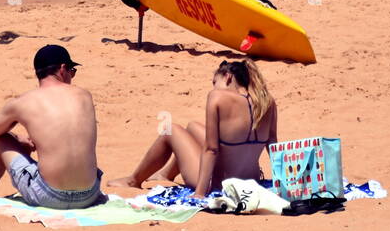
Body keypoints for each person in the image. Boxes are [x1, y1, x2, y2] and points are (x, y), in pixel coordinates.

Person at [0, 44, 106, 209]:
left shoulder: (23, 102)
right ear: (63, 69)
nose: (72, 76)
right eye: (72, 71)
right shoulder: (85, 95)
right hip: (90, 194)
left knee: (0, 140)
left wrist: (17, 139)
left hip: (50, 196)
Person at [111, 59, 277, 196]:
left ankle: (133, 180)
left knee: (171, 129)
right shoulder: (266, 101)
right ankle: (165, 174)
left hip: (221, 183)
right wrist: (283, 183)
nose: (213, 87)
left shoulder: (218, 97)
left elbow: (211, 150)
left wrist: (200, 193)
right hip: (252, 180)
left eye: (215, 82)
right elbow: (273, 145)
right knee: (192, 127)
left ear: (227, 77)